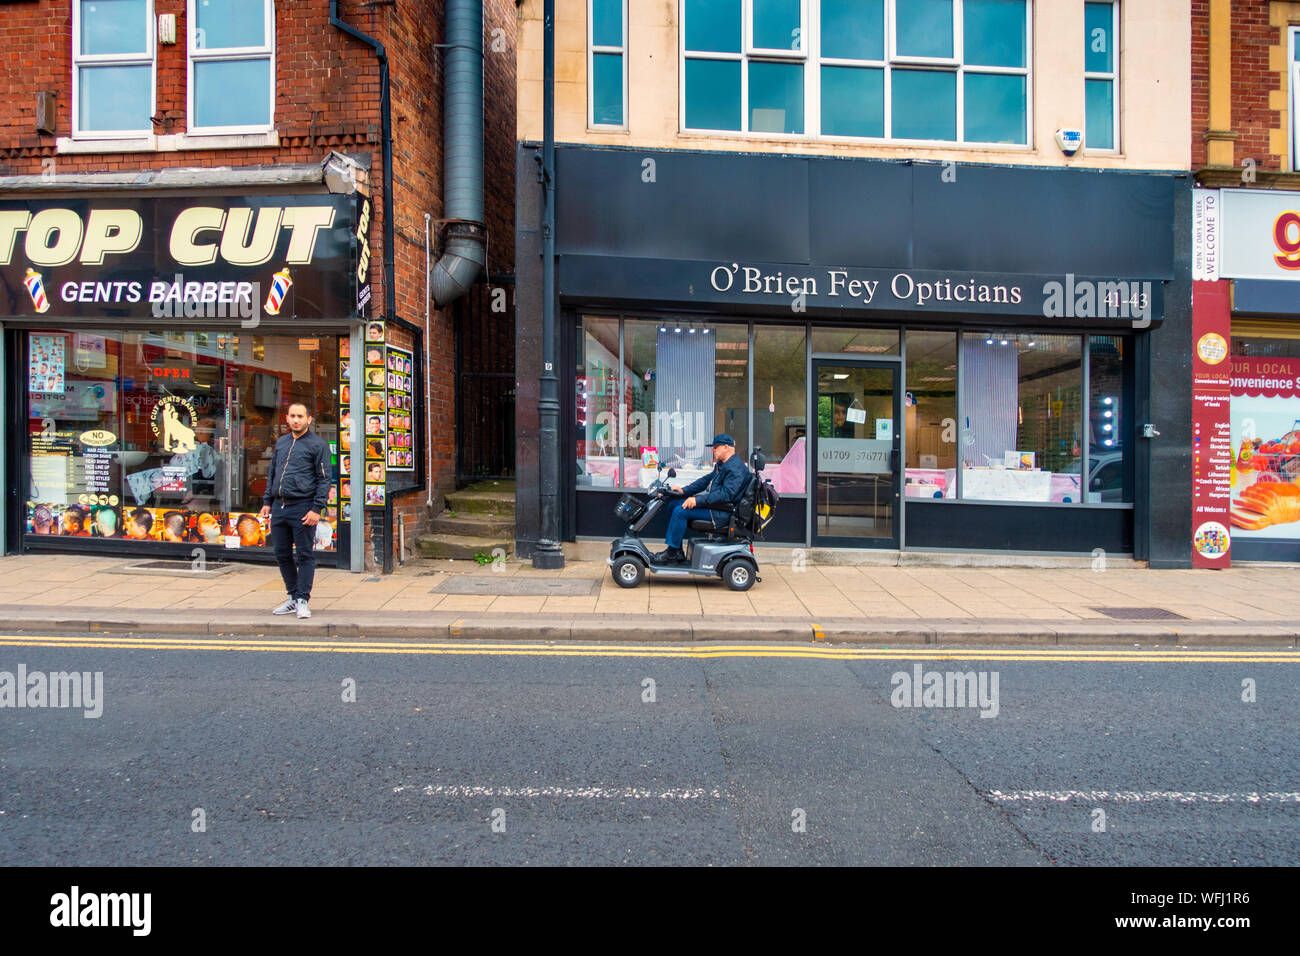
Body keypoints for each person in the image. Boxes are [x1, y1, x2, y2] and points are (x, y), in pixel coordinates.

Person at [260, 402, 331, 619]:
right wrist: (267, 502)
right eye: (292, 416)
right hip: (279, 507)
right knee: (281, 554)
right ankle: (292, 597)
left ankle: (302, 600)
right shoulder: (282, 443)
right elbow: (273, 473)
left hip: (303, 507)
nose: (296, 420)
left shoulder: (317, 445)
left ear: (309, 419)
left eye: (300, 416)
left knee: (304, 555)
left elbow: (324, 479)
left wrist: (316, 508)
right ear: (287, 418)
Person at [656, 434, 749, 564]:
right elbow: (706, 481)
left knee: (680, 511)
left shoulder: (736, 468)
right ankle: (677, 550)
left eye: (715, 447)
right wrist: (684, 490)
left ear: (726, 447)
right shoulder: (723, 464)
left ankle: (671, 554)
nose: (713, 450)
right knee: (673, 504)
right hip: (715, 506)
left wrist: (697, 500)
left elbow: (726, 495)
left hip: (723, 512)